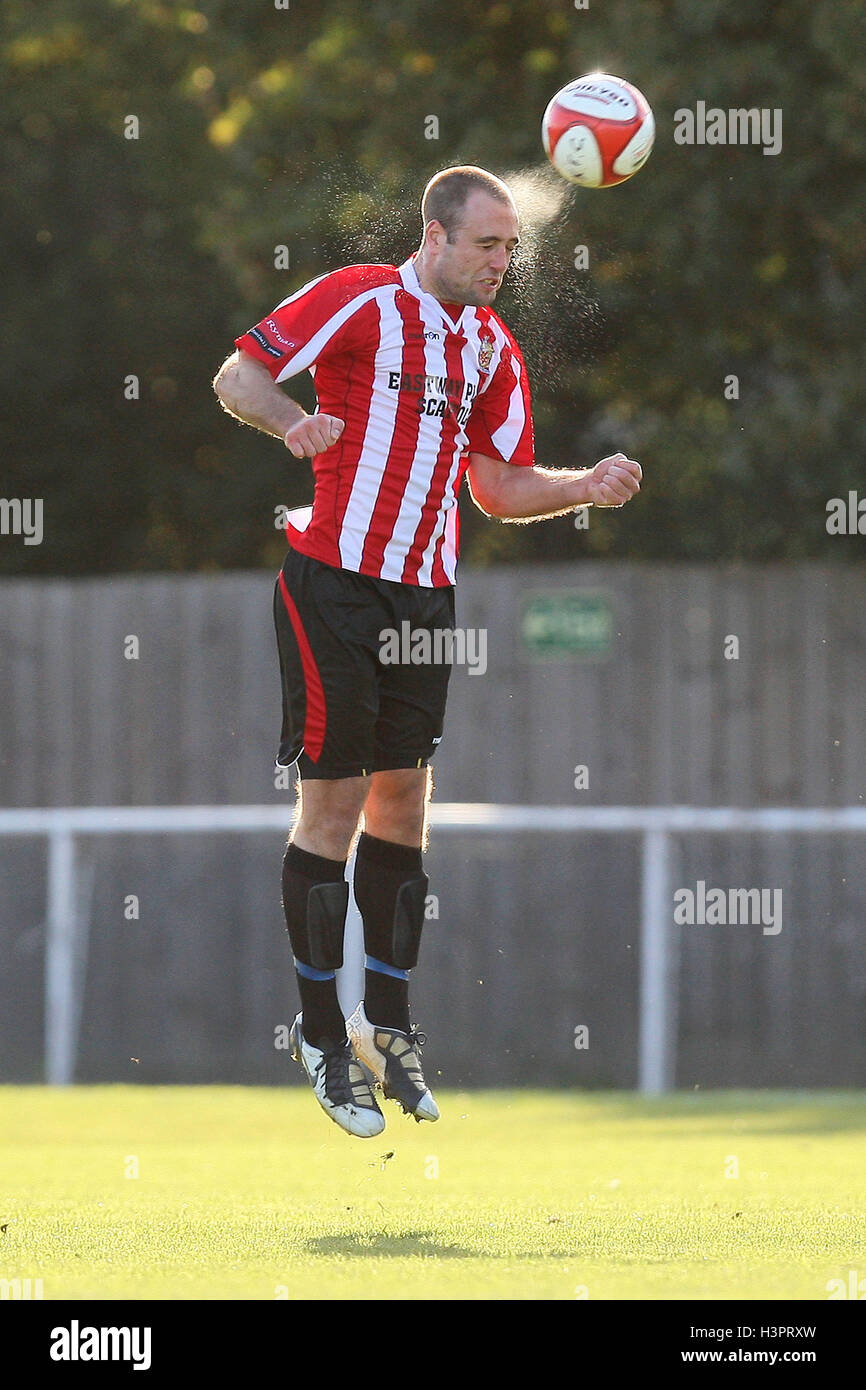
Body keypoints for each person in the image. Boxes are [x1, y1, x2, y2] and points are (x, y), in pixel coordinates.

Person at [213, 165, 641, 1138]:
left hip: (424, 592)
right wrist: (293, 422)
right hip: (331, 581)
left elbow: (493, 486)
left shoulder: (490, 345)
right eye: (487, 245)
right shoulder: (360, 298)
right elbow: (236, 374)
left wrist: (586, 483)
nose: (502, 262)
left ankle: (390, 1027)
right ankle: (321, 1035)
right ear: (436, 236)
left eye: (509, 248)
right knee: (332, 803)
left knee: (403, 799)